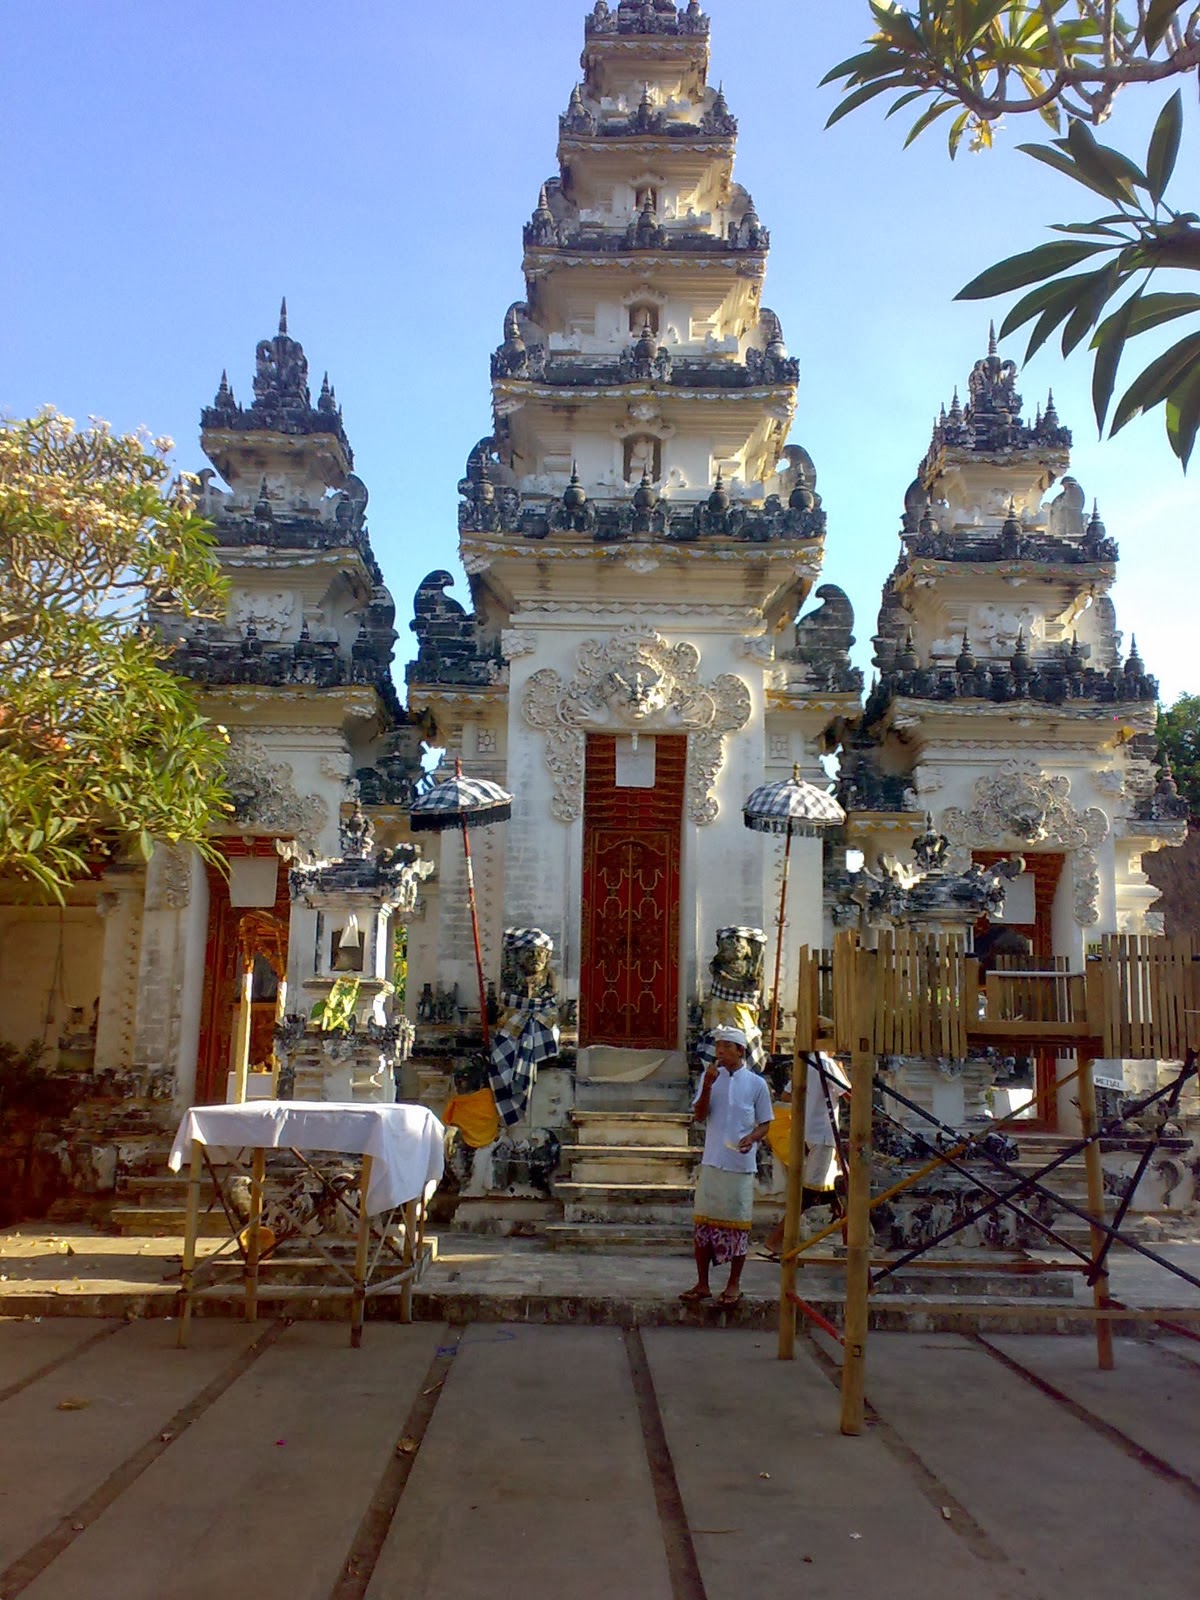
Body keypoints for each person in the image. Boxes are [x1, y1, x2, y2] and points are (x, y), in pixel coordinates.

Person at [680, 1025, 773, 1308]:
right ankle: (702, 1283)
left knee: (738, 1225)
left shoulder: (756, 1084)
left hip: (740, 1165)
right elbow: (699, 1116)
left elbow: (765, 1123)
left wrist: (752, 1138)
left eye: (725, 1047)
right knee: (703, 1224)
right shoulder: (709, 1078)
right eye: (718, 1047)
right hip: (712, 1160)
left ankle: (734, 1283)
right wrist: (708, 1085)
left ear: (740, 1051)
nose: (719, 1052)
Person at [763, 1052, 850, 1258]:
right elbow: (849, 1094)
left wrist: (810, 1105)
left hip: (808, 1133)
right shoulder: (827, 1063)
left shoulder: (805, 1062)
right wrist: (843, 1072)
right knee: (810, 1194)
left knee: (841, 1187)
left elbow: (786, 1096)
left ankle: (848, 1240)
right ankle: (775, 1238)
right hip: (824, 1135)